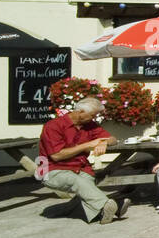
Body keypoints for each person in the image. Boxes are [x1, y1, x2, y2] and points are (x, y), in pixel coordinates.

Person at [38, 96, 130, 224]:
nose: (94, 118)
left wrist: (104, 142)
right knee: (77, 182)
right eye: (92, 115)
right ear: (80, 112)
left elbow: (113, 139)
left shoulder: (89, 125)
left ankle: (105, 211)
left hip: (80, 168)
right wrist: (88, 145)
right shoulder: (53, 126)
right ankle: (111, 205)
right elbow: (56, 155)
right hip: (51, 170)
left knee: (87, 184)